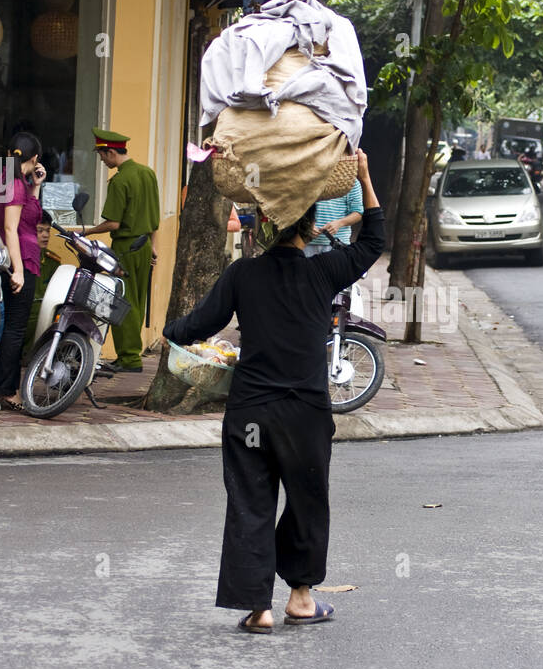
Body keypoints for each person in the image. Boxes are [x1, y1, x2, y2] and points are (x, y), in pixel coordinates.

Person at [162, 149, 384, 634]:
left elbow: (198, 326)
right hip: (305, 413)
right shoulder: (323, 272)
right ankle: (301, 599)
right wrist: (364, 177)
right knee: (307, 500)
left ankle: (259, 607)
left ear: (265, 223)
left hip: (251, 414)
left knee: (251, 501)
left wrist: (169, 331)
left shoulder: (243, 274)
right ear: (307, 227)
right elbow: (374, 241)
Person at [81, 128, 160, 372]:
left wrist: (88, 233)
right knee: (137, 300)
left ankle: (129, 358)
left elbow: (113, 223)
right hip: (145, 245)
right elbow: (155, 219)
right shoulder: (148, 173)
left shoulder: (120, 181)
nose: (103, 161)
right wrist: (154, 247)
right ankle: (130, 355)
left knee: (121, 302)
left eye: (103, 156)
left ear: (112, 152)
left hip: (125, 247)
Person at [0, 131, 46, 409]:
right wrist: (19, 270)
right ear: (34, 157)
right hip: (20, 259)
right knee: (15, 328)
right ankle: (6, 391)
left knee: (13, 326)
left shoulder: (8, 179)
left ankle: (4, 387)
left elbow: (26, 218)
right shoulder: (13, 184)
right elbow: (11, 229)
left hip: (17, 257)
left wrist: (35, 187)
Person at [22, 210, 61, 353]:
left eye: (48, 231)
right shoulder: (19, 256)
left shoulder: (52, 261)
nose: (45, 235)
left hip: (42, 313)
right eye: (40, 231)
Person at [304, 179, 363, 257]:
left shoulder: (351, 181)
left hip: (337, 244)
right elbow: (292, 209)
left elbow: (358, 213)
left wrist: (339, 223)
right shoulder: (306, 176)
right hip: (305, 244)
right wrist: (306, 225)